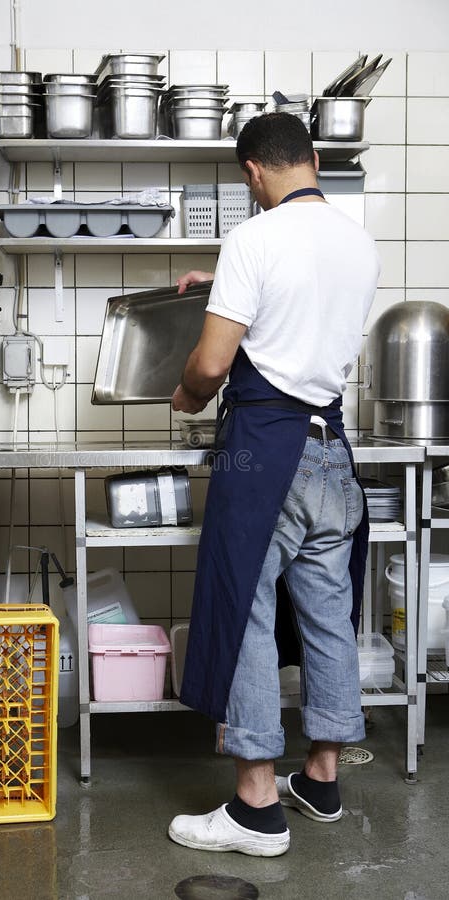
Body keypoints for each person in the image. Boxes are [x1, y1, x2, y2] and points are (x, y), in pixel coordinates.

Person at [167, 112, 380, 858]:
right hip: (331, 454)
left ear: (252, 172)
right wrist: (220, 284)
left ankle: (256, 805)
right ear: (313, 159)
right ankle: (321, 779)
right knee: (328, 613)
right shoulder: (358, 243)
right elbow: (304, 314)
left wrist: (189, 393)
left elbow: (214, 364)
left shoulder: (254, 238)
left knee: (247, 611)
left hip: (265, 453)